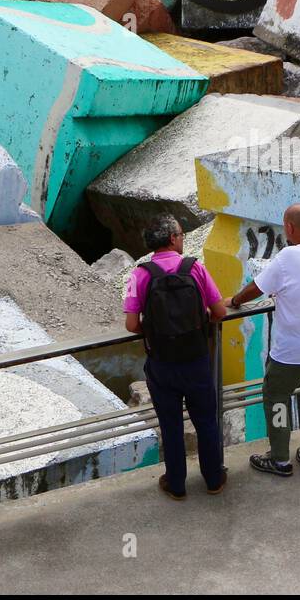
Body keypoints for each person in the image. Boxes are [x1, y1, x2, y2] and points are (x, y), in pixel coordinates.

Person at [226, 204, 300, 478]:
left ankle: (280, 458)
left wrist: (233, 301)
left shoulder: (288, 257)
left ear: (289, 228)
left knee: (276, 396)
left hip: (296, 347)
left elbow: (256, 289)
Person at [124, 214, 228, 500]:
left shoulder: (139, 274)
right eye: (181, 234)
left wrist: (158, 330)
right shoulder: (195, 268)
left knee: (170, 425)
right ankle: (214, 479)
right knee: (206, 420)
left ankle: (177, 484)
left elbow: (132, 325)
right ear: (172, 238)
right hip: (195, 358)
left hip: (161, 364)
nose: (182, 239)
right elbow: (220, 312)